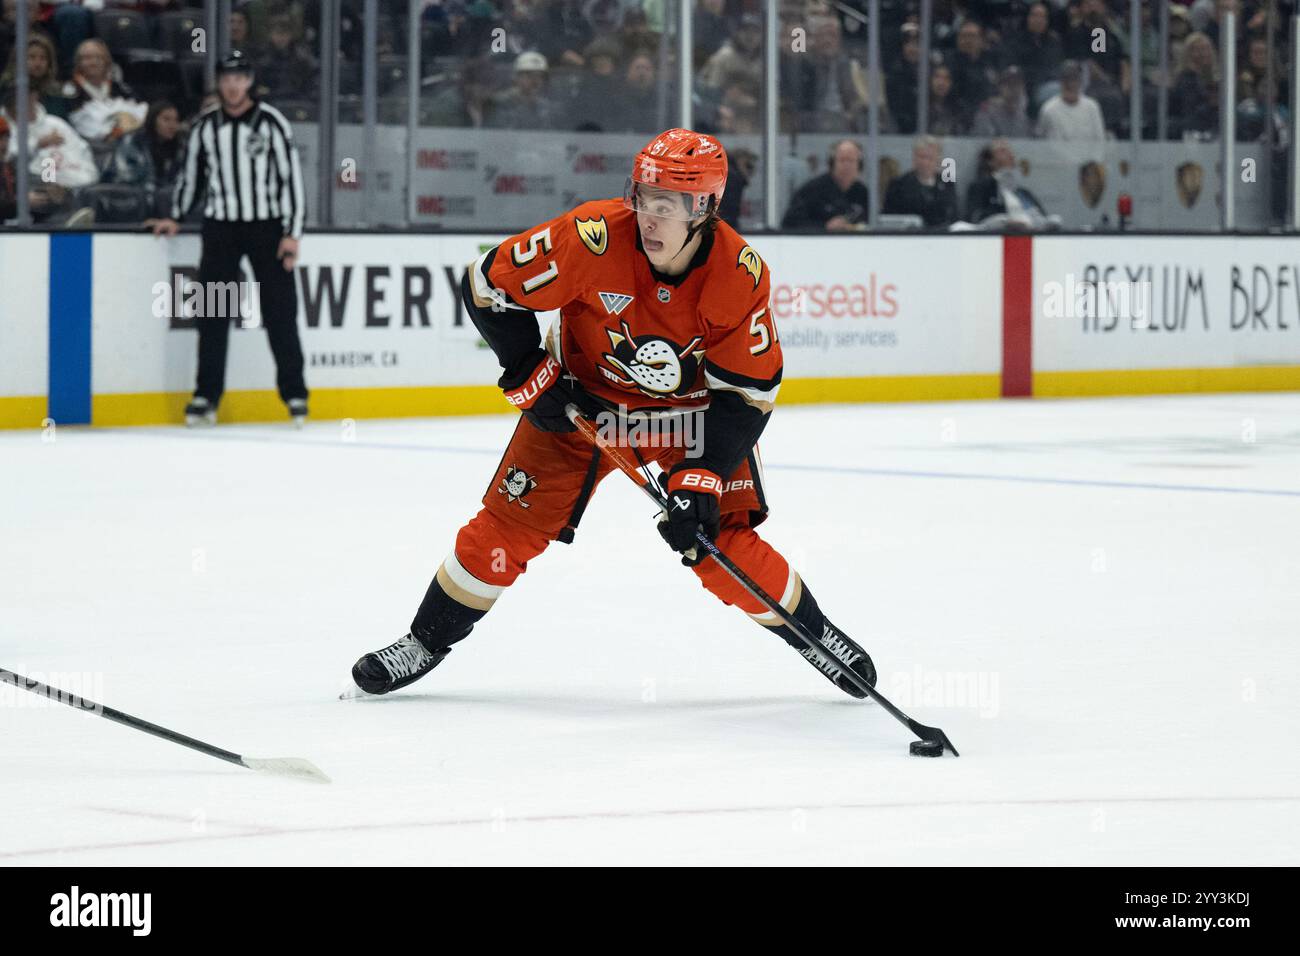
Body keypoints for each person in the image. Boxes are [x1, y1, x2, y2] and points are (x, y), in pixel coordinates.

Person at [349, 128, 878, 701]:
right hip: (581, 405)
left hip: (690, 417)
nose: (649, 217)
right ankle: (425, 641)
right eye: (644, 197)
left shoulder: (737, 273)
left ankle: (818, 638)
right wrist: (526, 366)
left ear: (704, 208)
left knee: (718, 544)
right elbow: (486, 287)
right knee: (505, 530)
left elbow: (749, 391)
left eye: (668, 204)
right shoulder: (590, 239)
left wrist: (701, 475)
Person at [145, 51, 308, 427]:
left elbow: (291, 181)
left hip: (266, 228)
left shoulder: (271, 123)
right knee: (213, 313)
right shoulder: (204, 127)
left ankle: (294, 393)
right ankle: (206, 394)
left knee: (280, 311)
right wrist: (176, 216)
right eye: (226, 78)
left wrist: (292, 233)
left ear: (249, 81)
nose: (232, 85)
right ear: (219, 83)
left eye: (239, 78)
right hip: (221, 229)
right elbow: (192, 178)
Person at [101, 98, 183, 218]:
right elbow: (125, 176)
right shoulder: (131, 141)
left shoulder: (178, 148)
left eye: (176, 120)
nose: (172, 125)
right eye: (166, 119)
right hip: (124, 202)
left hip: (161, 205)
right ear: (152, 120)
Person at [780, 138, 869, 231]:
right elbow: (789, 224)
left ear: (859, 165)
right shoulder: (812, 190)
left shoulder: (863, 192)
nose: (846, 166)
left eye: (851, 161)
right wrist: (824, 227)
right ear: (832, 163)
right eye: (842, 160)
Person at [882, 136, 958, 228]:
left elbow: (954, 215)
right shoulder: (898, 185)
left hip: (942, 236)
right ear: (914, 158)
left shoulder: (947, 184)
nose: (925, 162)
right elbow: (889, 218)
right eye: (921, 157)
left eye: (930, 158)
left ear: (938, 160)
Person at [1035, 60, 1106, 144]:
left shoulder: (1092, 107)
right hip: (1056, 157)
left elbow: (1100, 141)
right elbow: (1040, 143)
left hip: (1088, 157)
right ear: (1061, 81)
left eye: (1074, 79)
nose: (1071, 84)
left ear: (1080, 81)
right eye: (1067, 79)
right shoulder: (1048, 109)